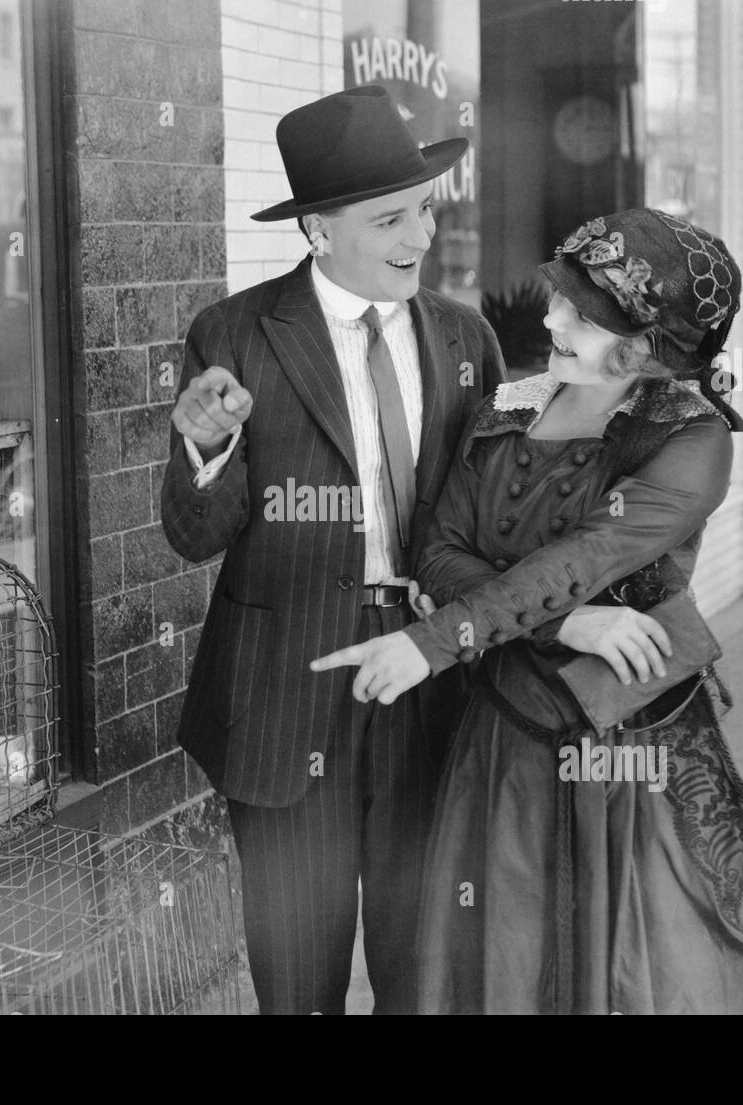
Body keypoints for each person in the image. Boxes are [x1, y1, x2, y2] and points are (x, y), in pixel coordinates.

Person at [313, 209, 743, 1014]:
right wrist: (568, 623)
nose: (549, 317)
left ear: (642, 344)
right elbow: (438, 552)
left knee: (633, 972)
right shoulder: (507, 407)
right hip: (505, 737)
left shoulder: (694, 441)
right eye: (559, 297)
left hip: (632, 753)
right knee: (503, 960)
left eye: (579, 313)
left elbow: (582, 559)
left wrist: (432, 641)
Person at [160, 84, 506, 1014]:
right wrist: (203, 448)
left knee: (425, 970)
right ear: (316, 228)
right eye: (389, 217)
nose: (419, 236)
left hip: (429, 686)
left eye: (425, 208)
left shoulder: (468, 340)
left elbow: (491, 524)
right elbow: (195, 537)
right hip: (284, 696)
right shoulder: (234, 333)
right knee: (298, 979)